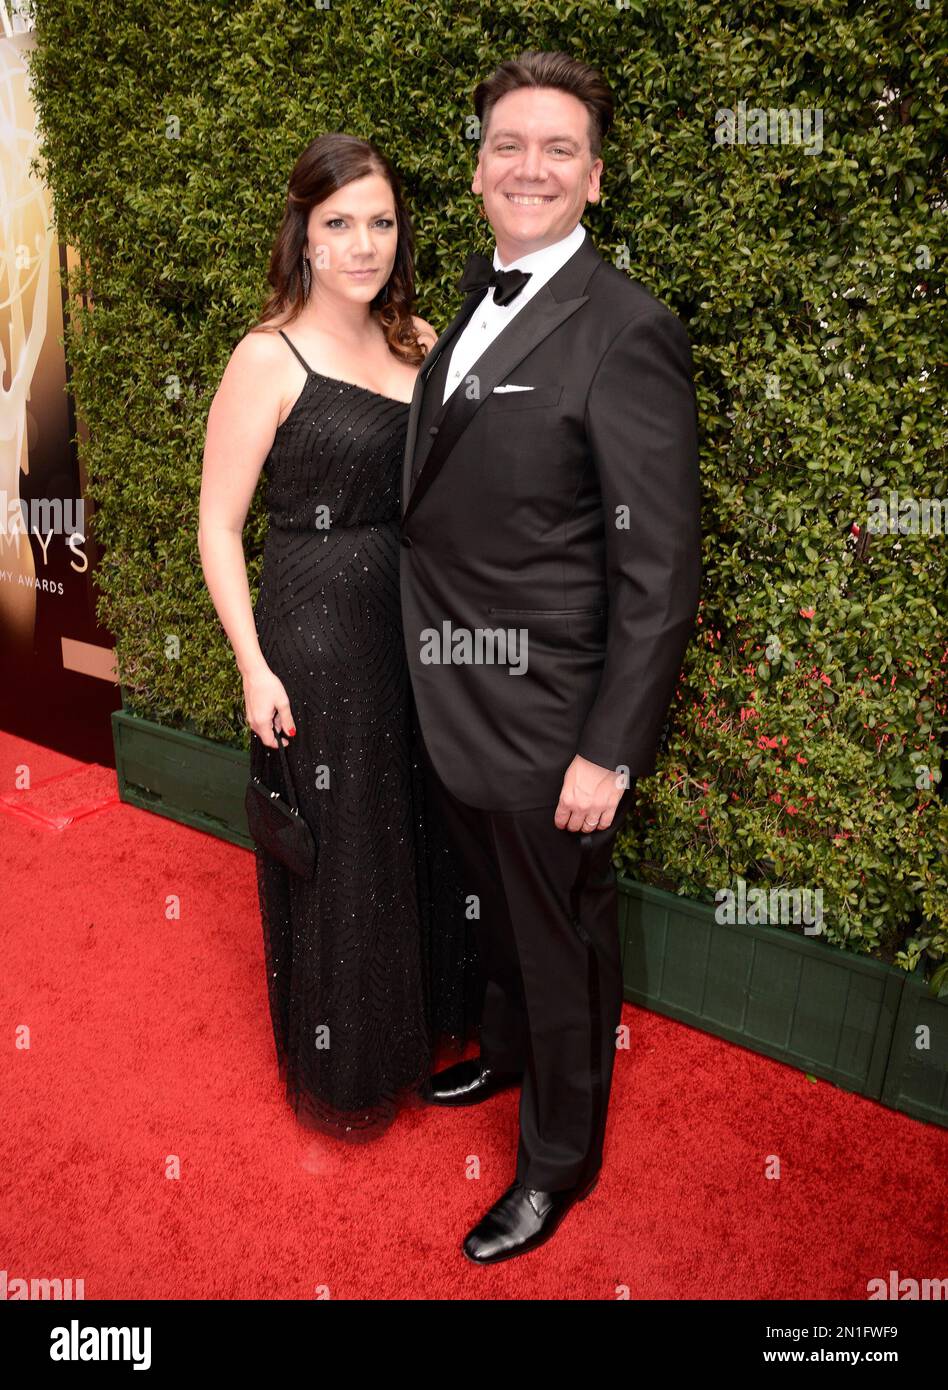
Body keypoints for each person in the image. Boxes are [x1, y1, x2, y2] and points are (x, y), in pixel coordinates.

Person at [399, 52, 702, 1261]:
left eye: (558, 148)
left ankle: (557, 1164)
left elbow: (660, 570)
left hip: (548, 712)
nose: (531, 166)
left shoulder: (630, 331)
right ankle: (509, 1052)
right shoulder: (474, 293)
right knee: (500, 914)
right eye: (509, 144)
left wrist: (609, 754)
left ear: (595, 177)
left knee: (560, 933)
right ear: (478, 167)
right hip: (448, 683)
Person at [199, 133, 480, 1142]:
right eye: (339, 223)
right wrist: (252, 666)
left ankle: (426, 1021)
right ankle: (347, 1063)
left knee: (419, 819)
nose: (362, 243)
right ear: (305, 236)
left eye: (381, 221)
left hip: (414, 617)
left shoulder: (420, 337)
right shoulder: (267, 355)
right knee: (346, 843)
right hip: (316, 632)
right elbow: (218, 526)